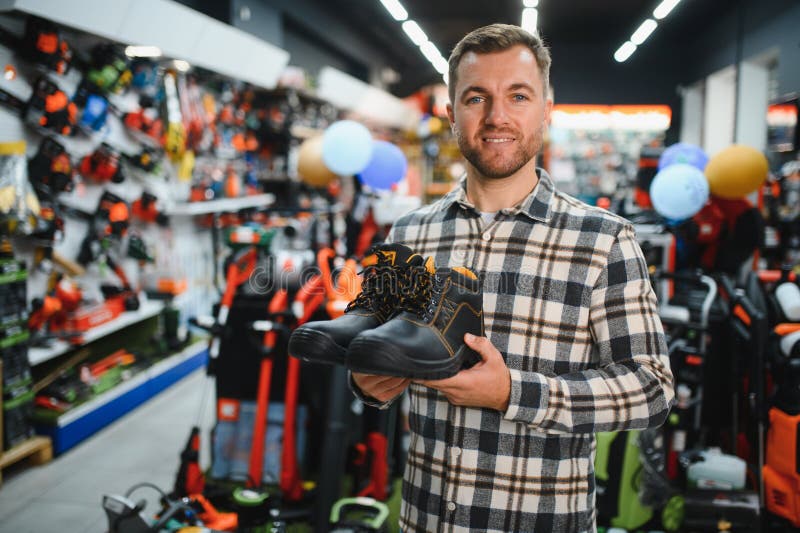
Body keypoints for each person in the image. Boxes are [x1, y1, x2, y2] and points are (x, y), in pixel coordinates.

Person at [351, 23, 674, 533]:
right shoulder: (409, 232)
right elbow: (378, 362)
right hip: (424, 519)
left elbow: (651, 388)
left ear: (545, 109)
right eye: (476, 97)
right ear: (451, 112)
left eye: (518, 96)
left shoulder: (604, 239)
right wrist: (370, 383)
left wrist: (513, 393)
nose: (496, 116)